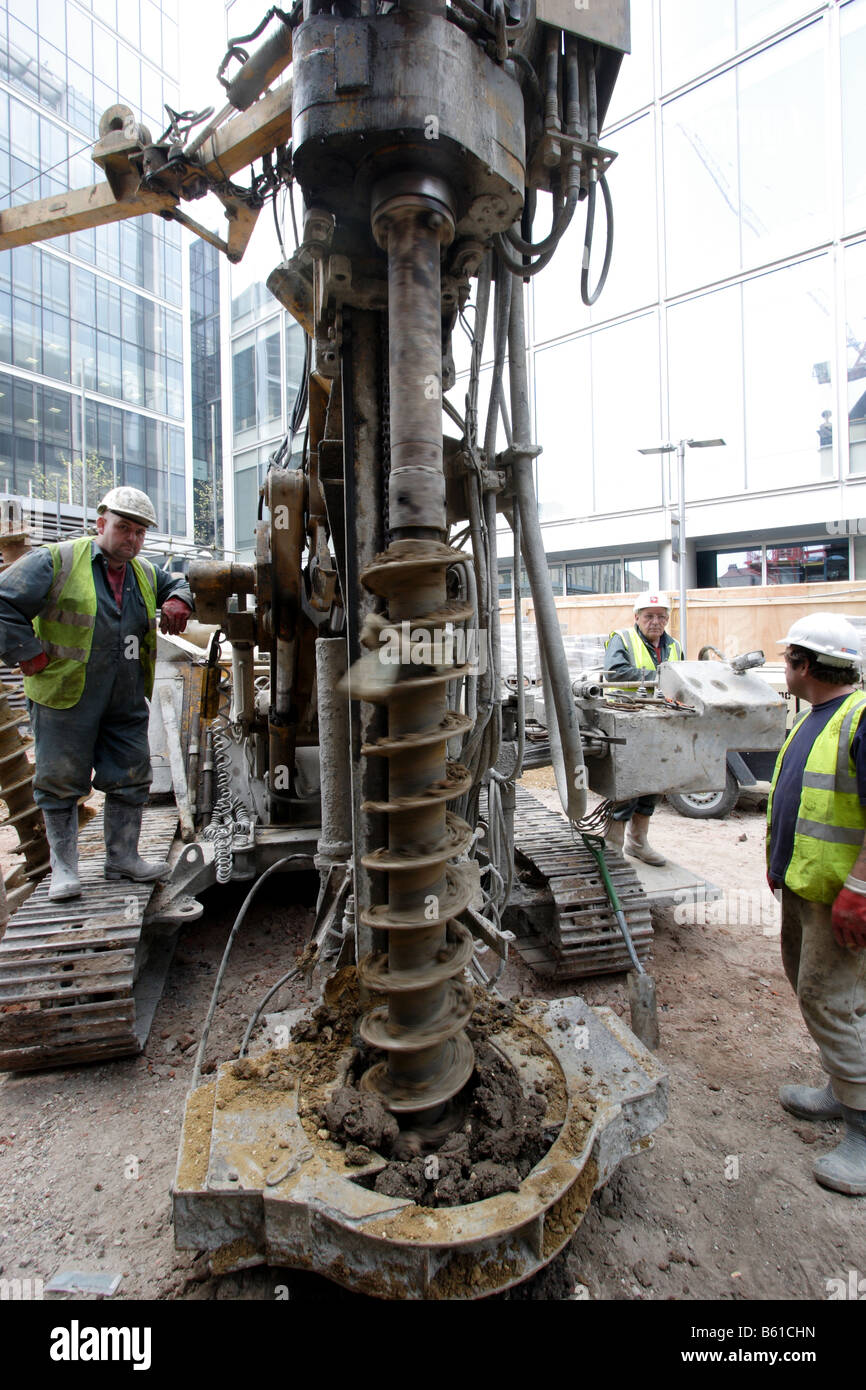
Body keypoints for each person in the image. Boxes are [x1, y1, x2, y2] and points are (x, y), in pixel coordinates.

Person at [0, 487, 194, 901]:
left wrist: (179, 598)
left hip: (124, 695)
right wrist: (25, 652)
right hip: (65, 695)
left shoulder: (144, 573)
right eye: (124, 528)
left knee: (131, 775)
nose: (132, 538)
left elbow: (179, 581)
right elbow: (3, 601)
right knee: (60, 780)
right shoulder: (56, 561)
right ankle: (64, 870)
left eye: (140, 532)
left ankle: (123, 858)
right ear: (101, 523)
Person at [767, 613, 866, 1196]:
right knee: (822, 994)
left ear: (804, 664)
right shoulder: (817, 716)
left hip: (839, 897)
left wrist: (859, 890)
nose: (784, 667)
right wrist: (777, 863)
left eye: (788, 659)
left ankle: (863, 1132)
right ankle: (842, 1089)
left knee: (831, 1002)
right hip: (807, 886)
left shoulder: (858, 719)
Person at [603, 592, 683, 866]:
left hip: (661, 724)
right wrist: (660, 677)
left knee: (654, 783)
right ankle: (612, 845)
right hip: (628, 724)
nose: (655, 622)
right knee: (628, 784)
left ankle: (637, 843)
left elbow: (682, 681)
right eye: (649, 616)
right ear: (637, 617)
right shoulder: (623, 639)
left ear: (667, 619)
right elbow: (616, 672)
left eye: (661, 617)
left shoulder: (675, 646)